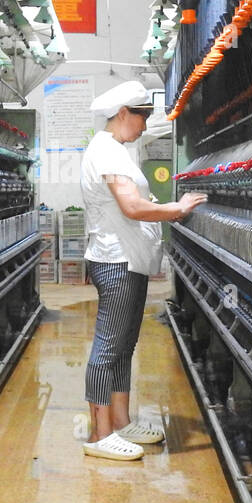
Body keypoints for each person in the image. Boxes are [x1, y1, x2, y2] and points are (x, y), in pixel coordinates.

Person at [78, 81, 208, 460]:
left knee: (123, 346)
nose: (144, 124)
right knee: (107, 348)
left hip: (128, 260)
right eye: (142, 116)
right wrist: (177, 208)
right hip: (115, 261)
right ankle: (100, 436)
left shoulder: (118, 150)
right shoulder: (105, 152)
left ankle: (120, 422)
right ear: (122, 114)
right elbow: (132, 208)